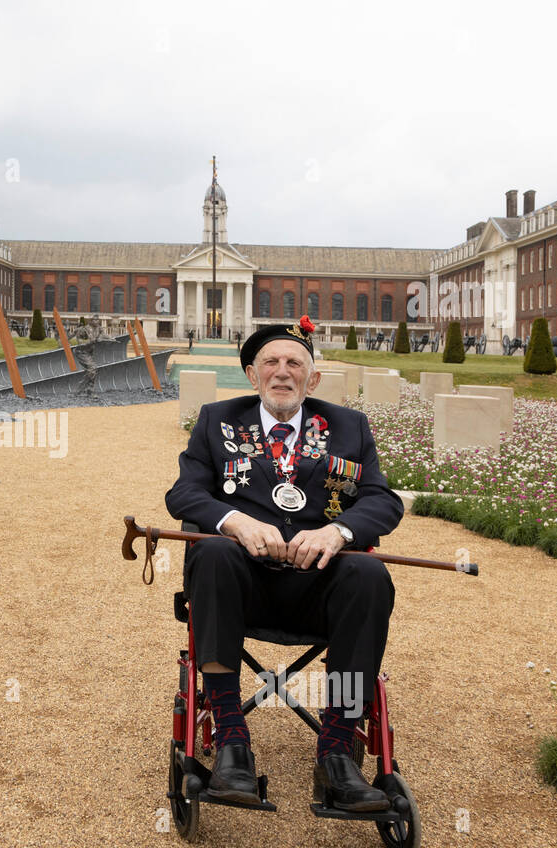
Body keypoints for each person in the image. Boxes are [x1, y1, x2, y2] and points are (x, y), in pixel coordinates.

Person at [165, 315, 403, 811]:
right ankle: (232, 740)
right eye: (270, 362)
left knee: (369, 572)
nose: (282, 371)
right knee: (210, 551)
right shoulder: (217, 419)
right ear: (252, 375)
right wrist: (234, 521)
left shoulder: (348, 426)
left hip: (319, 592)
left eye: (294, 362)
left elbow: (383, 502)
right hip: (241, 589)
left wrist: (337, 532)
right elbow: (183, 493)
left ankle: (338, 752)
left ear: (312, 378)